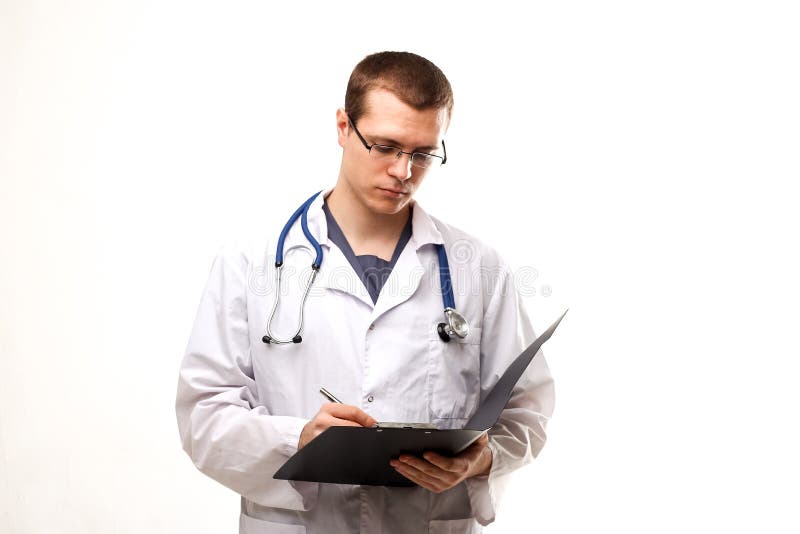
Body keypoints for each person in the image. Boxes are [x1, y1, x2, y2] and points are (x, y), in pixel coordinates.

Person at [176, 51, 555, 534]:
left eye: (423, 153)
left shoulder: (478, 267)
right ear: (342, 126)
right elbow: (203, 416)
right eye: (386, 146)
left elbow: (528, 411)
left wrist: (480, 461)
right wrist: (298, 438)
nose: (404, 171)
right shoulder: (250, 260)